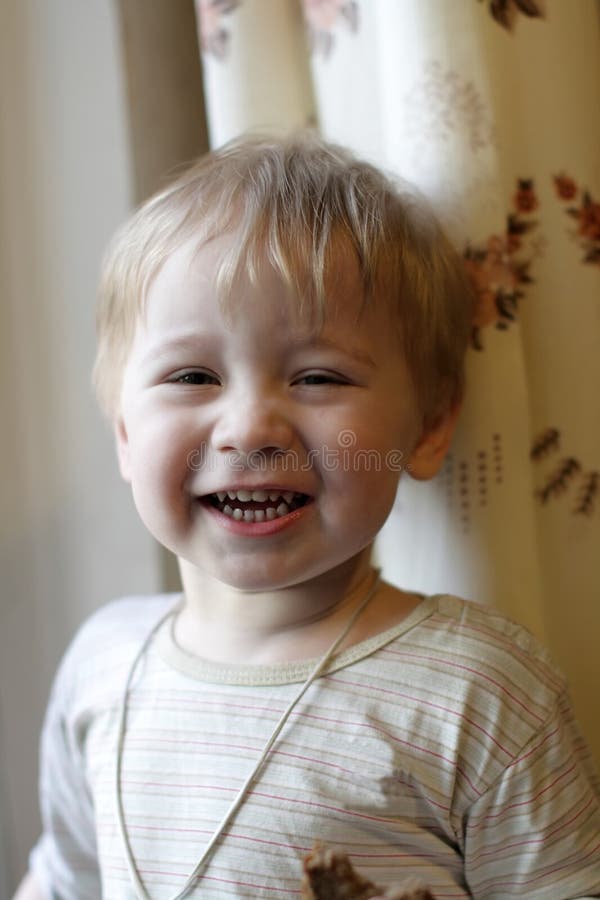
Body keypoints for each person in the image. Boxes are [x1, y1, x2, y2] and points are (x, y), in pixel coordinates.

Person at [15, 134, 600, 900]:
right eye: (193, 375)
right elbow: (65, 879)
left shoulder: (481, 691)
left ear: (426, 427)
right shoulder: (101, 665)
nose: (251, 427)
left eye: (318, 376)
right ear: (126, 433)